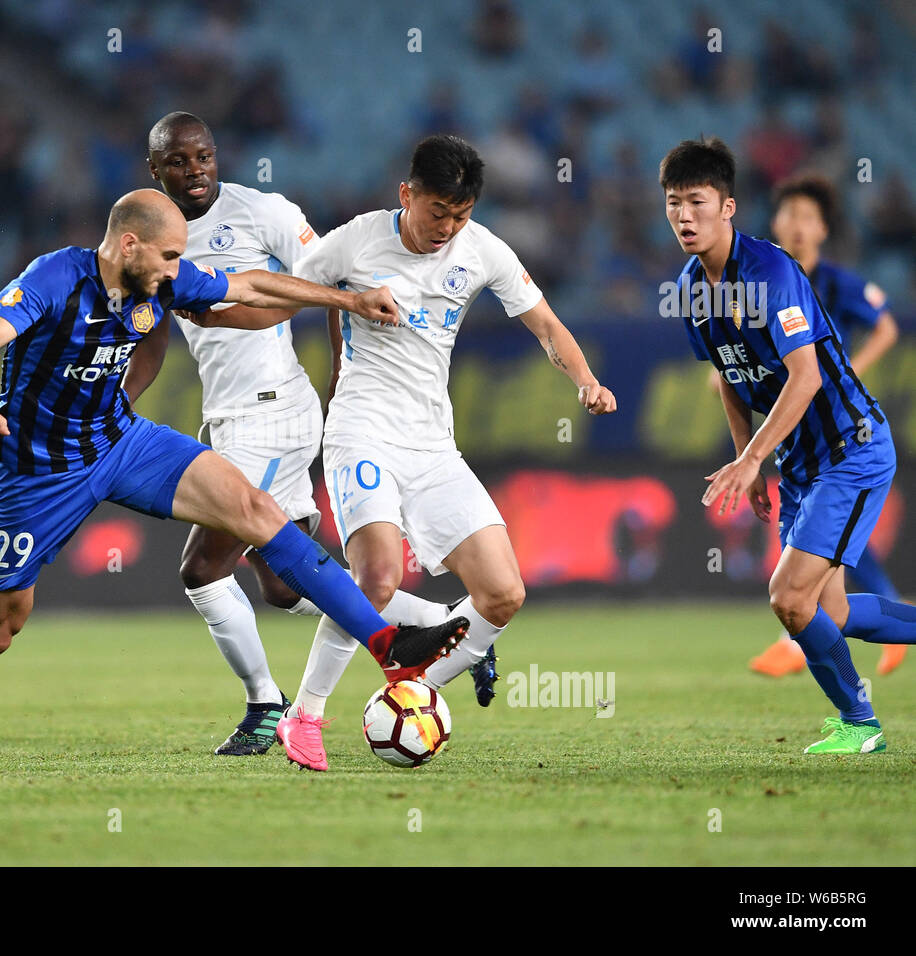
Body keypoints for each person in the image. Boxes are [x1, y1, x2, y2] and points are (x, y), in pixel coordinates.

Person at [0, 189, 469, 770]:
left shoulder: (165, 278)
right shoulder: (55, 277)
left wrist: (351, 300)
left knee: (257, 511)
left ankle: (386, 645)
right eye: (170, 256)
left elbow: (253, 284)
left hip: (119, 440)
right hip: (39, 475)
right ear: (129, 245)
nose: (179, 269)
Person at [270, 135, 618, 770]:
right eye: (438, 212)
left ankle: (420, 686)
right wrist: (339, 323)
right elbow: (290, 289)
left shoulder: (481, 249)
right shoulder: (356, 239)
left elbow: (545, 324)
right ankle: (306, 715)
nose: (449, 228)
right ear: (407, 195)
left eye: (461, 214)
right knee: (375, 579)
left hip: (433, 445)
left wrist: (586, 382)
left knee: (503, 594)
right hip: (362, 430)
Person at [132, 111, 455, 756]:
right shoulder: (154, 239)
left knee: (201, 569)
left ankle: (264, 707)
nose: (194, 171)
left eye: (203, 157)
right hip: (229, 419)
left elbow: (334, 280)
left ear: (216, 157)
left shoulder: (263, 213)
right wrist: (113, 400)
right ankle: (447, 627)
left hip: (274, 415)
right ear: (156, 170)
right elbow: (153, 337)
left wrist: (344, 372)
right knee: (285, 586)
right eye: (178, 162)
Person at [660, 136, 916, 754]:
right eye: (673, 204)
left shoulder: (771, 271)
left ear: (728, 207)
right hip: (801, 466)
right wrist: (751, 457)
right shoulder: (692, 288)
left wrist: (751, 461)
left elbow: (806, 376)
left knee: (788, 597)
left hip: (850, 450)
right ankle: (858, 722)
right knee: (833, 612)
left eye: (697, 202)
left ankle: (860, 725)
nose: (684, 217)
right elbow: (727, 374)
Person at [744, 173, 905, 678]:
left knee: (802, 587)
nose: (795, 226)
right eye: (788, 214)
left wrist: (852, 367)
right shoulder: (762, 280)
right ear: (774, 222)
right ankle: (848, 696)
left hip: (846, 439)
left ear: (823, 230)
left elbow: (886, 326)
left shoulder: (835, 283)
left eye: (807, 218)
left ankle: (852, 709)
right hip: (800, 451)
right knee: (828, 597)